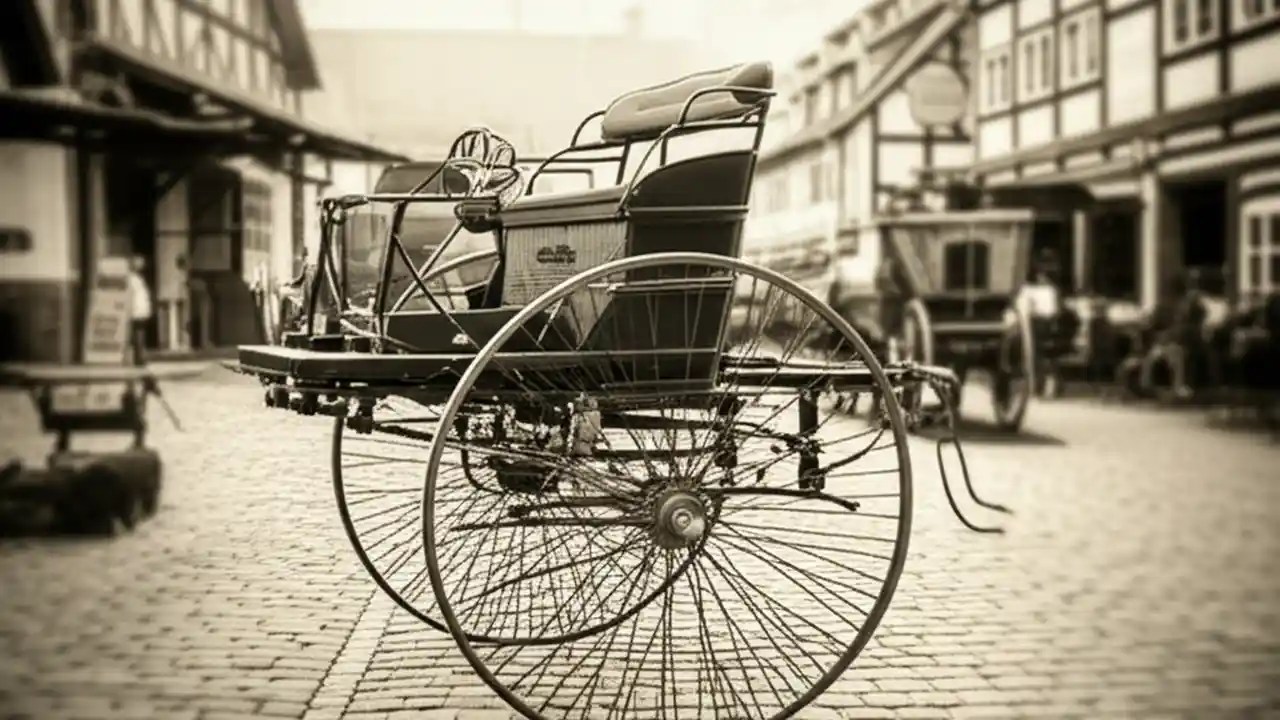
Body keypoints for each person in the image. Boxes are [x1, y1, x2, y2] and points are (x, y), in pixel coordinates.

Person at [126, 255, 153, 366]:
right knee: (136, 336)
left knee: (139, 335)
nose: (142, 266)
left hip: (140, 311)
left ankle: (139, 357)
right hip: (135, 312)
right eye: (139, 263)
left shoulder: (137, 278)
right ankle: (138, 358)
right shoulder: (131, 279)